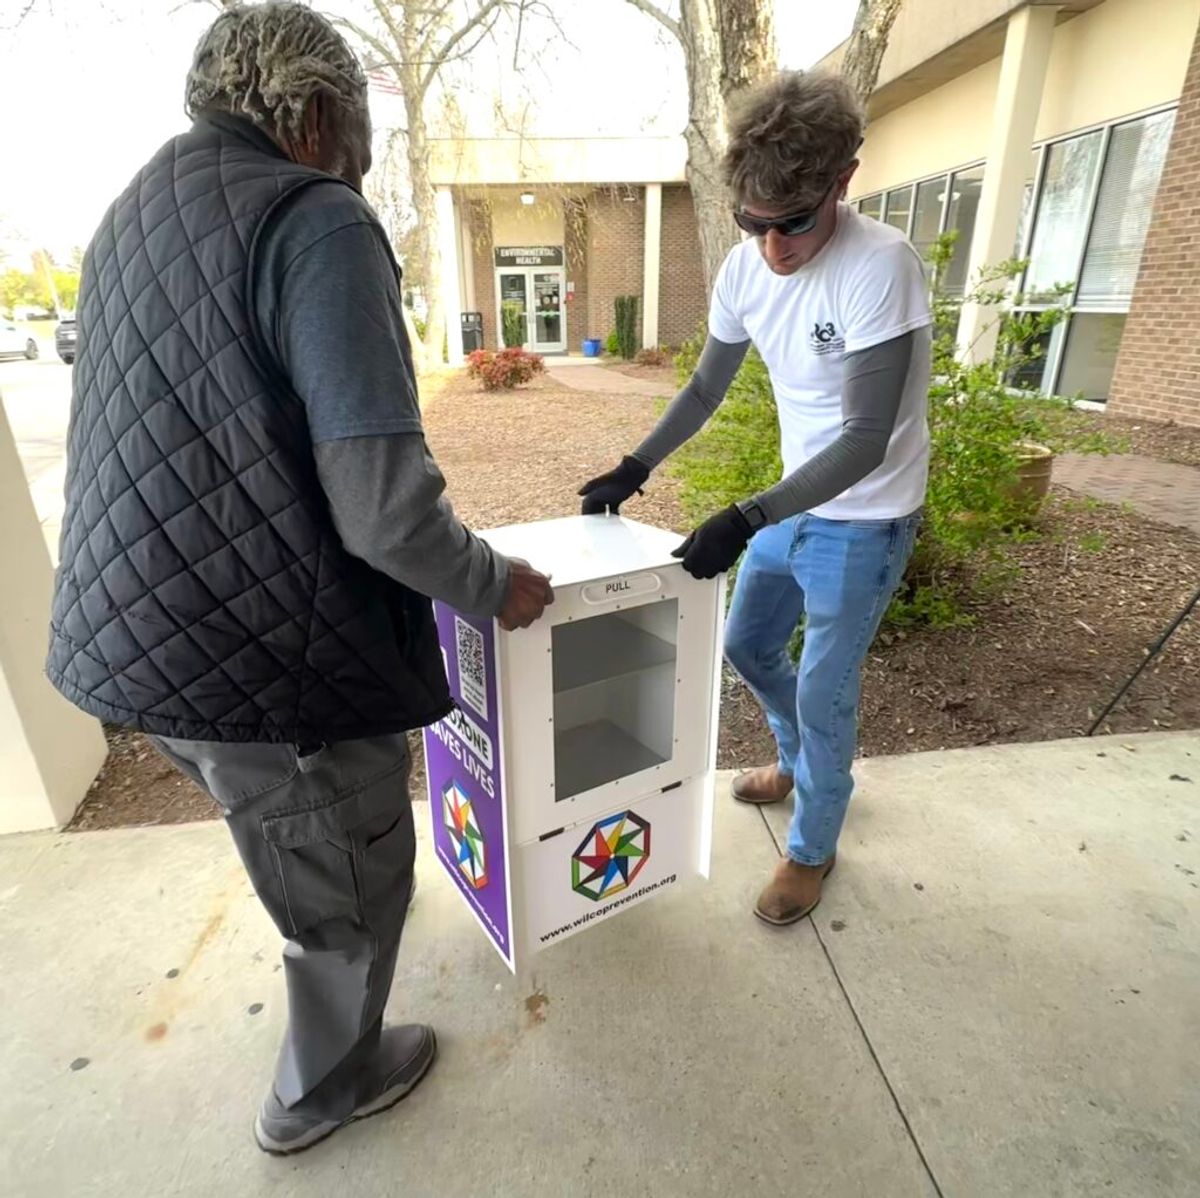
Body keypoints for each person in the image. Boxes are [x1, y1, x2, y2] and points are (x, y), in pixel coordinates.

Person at [45, 1, 553, 1155]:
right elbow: (383, 512)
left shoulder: (134, 212)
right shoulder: (313, 218)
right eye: (363, 161)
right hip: (262, 657)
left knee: (291, 837)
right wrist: (491, 582)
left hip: (131, 633)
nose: (360, 185)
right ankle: (324, 1084)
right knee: (344, 863)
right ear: (320, 117)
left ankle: (331, 920)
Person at [580, 72, 930, 928]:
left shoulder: (879, 266)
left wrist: (744, 517)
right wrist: (636, 465)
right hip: (796, 505)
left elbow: (864, 439)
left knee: (824, 687)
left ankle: (812, 847)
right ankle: (798, 762)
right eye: (753, 222)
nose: (772, 246)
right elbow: (704, 391)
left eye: (794, 223)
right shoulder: (746, 268)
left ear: (842, 182)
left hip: (868, 515)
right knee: (746, 644)